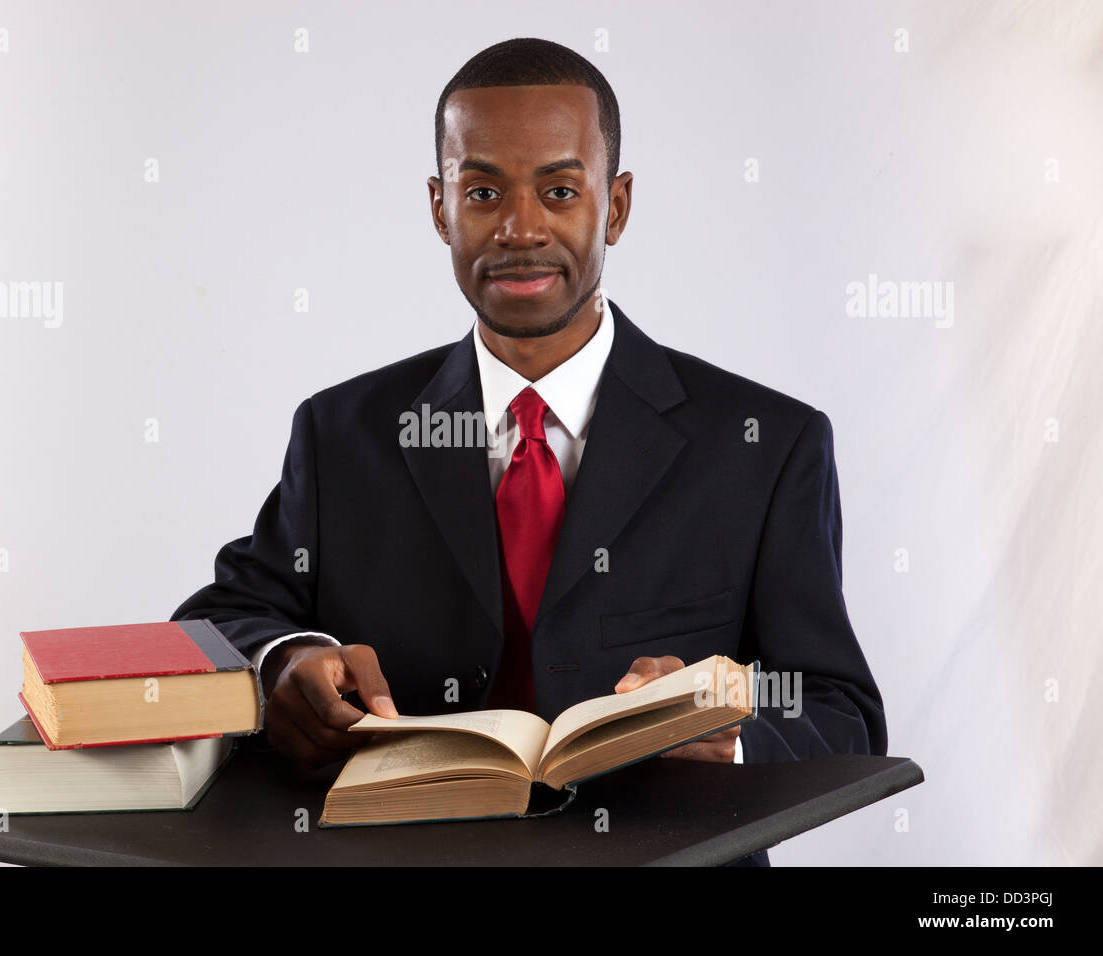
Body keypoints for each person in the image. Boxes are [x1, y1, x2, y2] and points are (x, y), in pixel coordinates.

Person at [172, 37, 887, 865]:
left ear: (614, 207)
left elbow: (842, 714)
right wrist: (288, 659)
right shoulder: (342, 433)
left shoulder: (767, 444)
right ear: (439, 207)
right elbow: (216, 622)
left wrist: (727, 735)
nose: (520, 228)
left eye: (558, 189)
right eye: (482, 191)